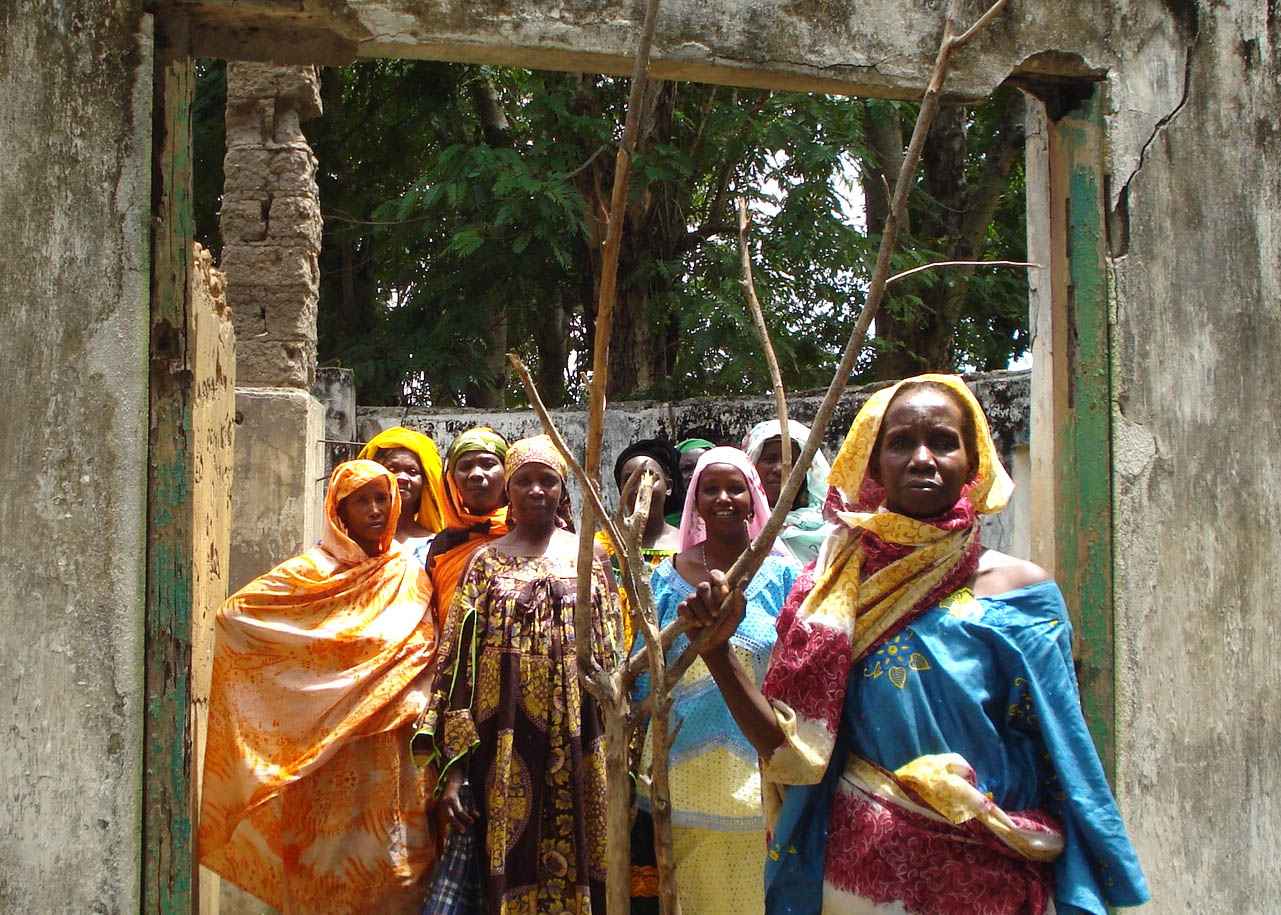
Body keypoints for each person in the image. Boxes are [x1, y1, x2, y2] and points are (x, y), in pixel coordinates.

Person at [681, 375, 1149, 915]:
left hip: (988, 876)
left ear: (975, 462)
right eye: (901, 442)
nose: (923, 458)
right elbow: (789, 753)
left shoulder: (1022, 596)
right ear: (872, 463)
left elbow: (1060, 756)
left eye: (944, 441)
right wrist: (717, 654)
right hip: (861, 884)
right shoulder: (827, 593)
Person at [199, 460, 439, 914]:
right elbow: (235, 615)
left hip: (391, 755)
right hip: (328, 756)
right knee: (323, 869)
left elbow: (424, 649)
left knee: (397, 868)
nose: (374, 509)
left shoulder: (407, 574)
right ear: (339, 511)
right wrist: (316, 684)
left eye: (381, 498)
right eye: (360, 501)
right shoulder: (310, 571)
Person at [416, 435, 623, 914]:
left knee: (587, 862)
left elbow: (615, 659)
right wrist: (455, 771)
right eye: (524, 481)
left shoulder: (590, 557)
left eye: (546, 480)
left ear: (562, 489)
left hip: (581, 738)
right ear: (508, 491)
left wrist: (622, 754)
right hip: (501, 743)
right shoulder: (484, 564)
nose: (535, 491)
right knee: (507, 864)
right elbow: (457, 666)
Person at [635, 447, 799, 915]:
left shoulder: (787, 577)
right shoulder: (666, 578)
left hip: (760, 770)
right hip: (679, 770)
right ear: (695, 501)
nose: (723, 498)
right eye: (711, 489)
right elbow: (647, 672)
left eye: (735, 488)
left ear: (754, 498)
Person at [425, 427, 510, 626]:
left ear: (508, 473)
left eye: (488, 464)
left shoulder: (527, 532)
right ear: (451, 479)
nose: (476, 474)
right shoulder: (444, 544)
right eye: (465, 466)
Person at [742, 419, 835, 567]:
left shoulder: (834, 531)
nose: (780, 468)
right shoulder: (737, 528)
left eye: (791, 460)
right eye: (769, 459)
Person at [358, 426, 447, 566]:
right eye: (392, 469)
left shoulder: (438, 547)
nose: (402, 478)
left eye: (412, 471)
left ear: (425, 482)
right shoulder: (351, 543)